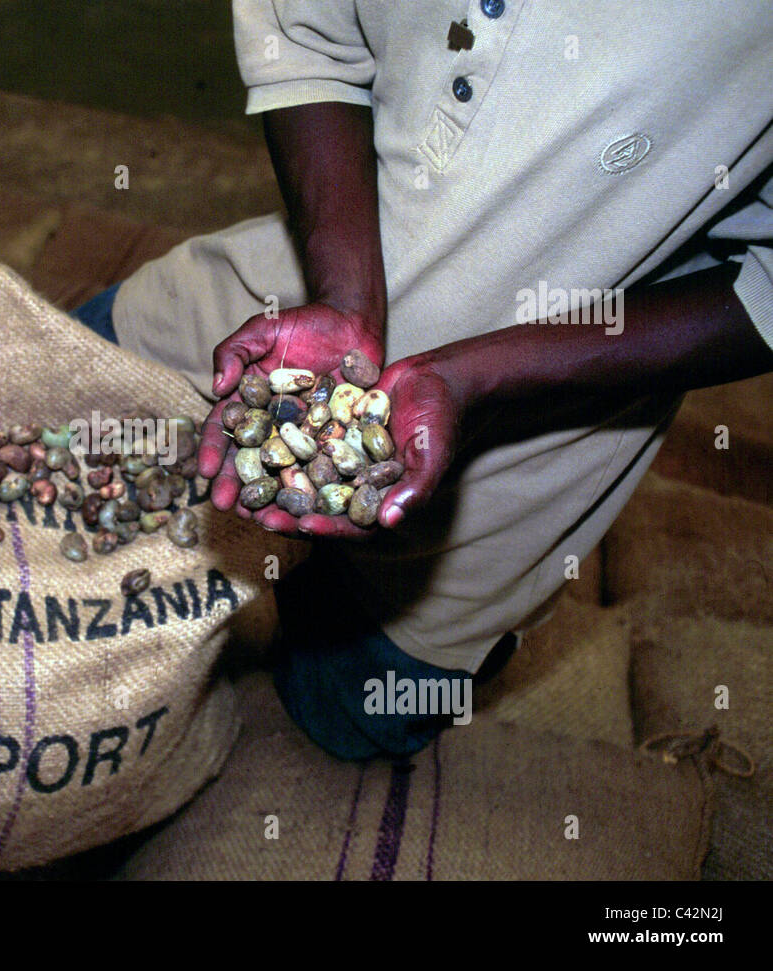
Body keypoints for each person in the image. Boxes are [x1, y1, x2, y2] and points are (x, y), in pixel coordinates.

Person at [73, 1, 773, 759]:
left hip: (522, 465)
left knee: (342, 715)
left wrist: (473, 379)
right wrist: (346, 300)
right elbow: (305, 40)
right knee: (53, 405)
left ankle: (387, 621)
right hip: (278, 306)